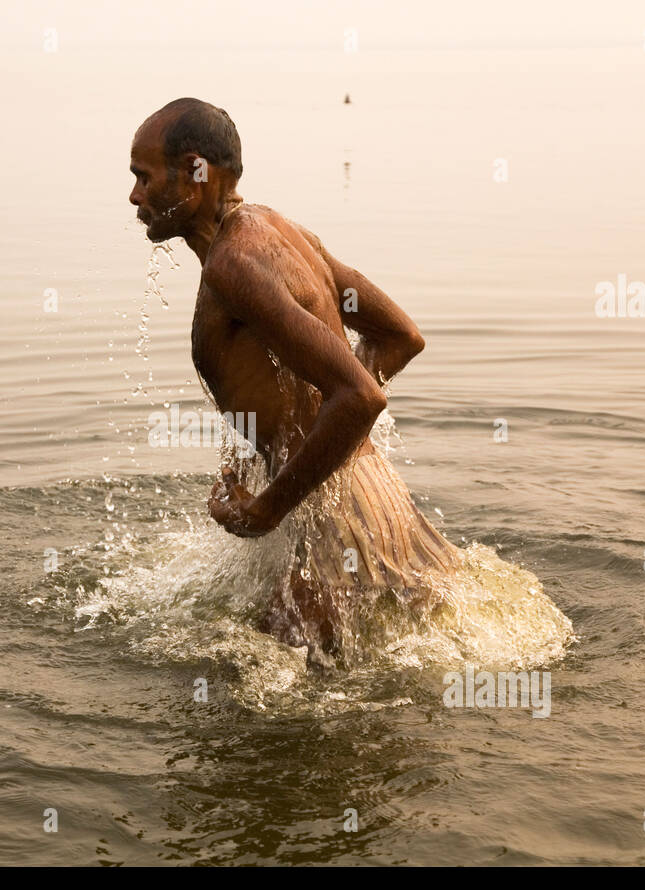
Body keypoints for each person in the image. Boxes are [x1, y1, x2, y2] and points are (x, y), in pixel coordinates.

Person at [129, 97, 460, 668]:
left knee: (274, 701)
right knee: (365, 685)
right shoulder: (281, 230)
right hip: (375, 496)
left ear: (194, 172)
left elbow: (360, 395)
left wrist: (268, 510)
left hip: (333, 518)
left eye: (143, 176)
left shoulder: (234, 265)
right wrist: (309, 427)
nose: (135, 196)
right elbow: (399, 336)